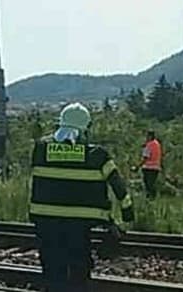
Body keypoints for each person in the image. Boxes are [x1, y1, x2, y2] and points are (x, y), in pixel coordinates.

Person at [29, 102, 134, 292]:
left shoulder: (41, 150)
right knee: (78, 267)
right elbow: (118, 186)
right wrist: (127, 215)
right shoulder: (97, 155)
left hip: (46, 221)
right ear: (86, 128)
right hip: (80, 224)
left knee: (52, 269)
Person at [140, 130, 163, 199]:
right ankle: (153, 198)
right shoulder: (157, 144)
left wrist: (138, 166)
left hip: (148, 168)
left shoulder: (149, 145)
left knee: (148, 185)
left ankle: (150, 198)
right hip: (156, 167)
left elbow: (145, 157)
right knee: (152, 184)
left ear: (150, 136)